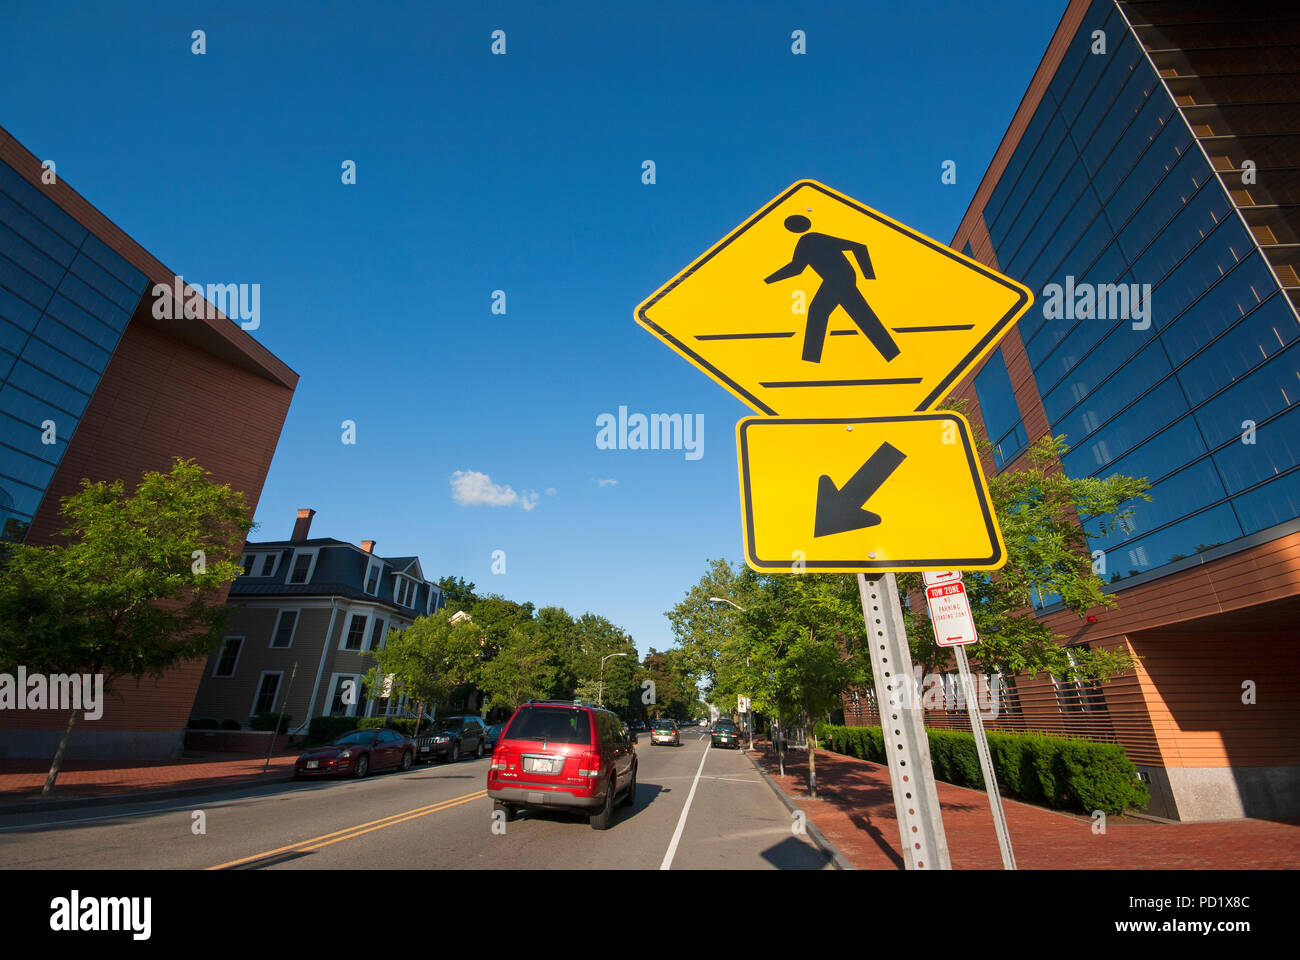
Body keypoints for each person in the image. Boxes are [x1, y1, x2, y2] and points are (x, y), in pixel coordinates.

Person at [765, 215, 900, 364]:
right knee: (859, 313)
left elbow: (858, 247)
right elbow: (797, 268)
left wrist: (870, 277)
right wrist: (768, 281)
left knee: (818, 310)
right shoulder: (810, 240)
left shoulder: (809, 240)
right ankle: (892, 353)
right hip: (840, 277)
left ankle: (810, 360)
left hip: (839, 277)